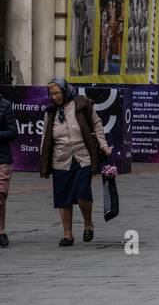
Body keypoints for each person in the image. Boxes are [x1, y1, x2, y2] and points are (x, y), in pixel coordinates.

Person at [39, 78, 112, 246]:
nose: (54, 97)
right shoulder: (50, 112)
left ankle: (88, 224)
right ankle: (67, 235)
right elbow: (45, 136)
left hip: (82, 157)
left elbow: (97, 125)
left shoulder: (81, 104)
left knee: (82, 192)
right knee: (62, 197)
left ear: (65, 91)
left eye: (57, 93)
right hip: (60, 159)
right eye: (51, 94)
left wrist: (104, 145)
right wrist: (43, 156)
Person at [0, 93, 16, 248]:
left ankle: (1, 231)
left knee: (0, 197)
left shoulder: (5, 105)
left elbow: (13, 132)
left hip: (2, 158)